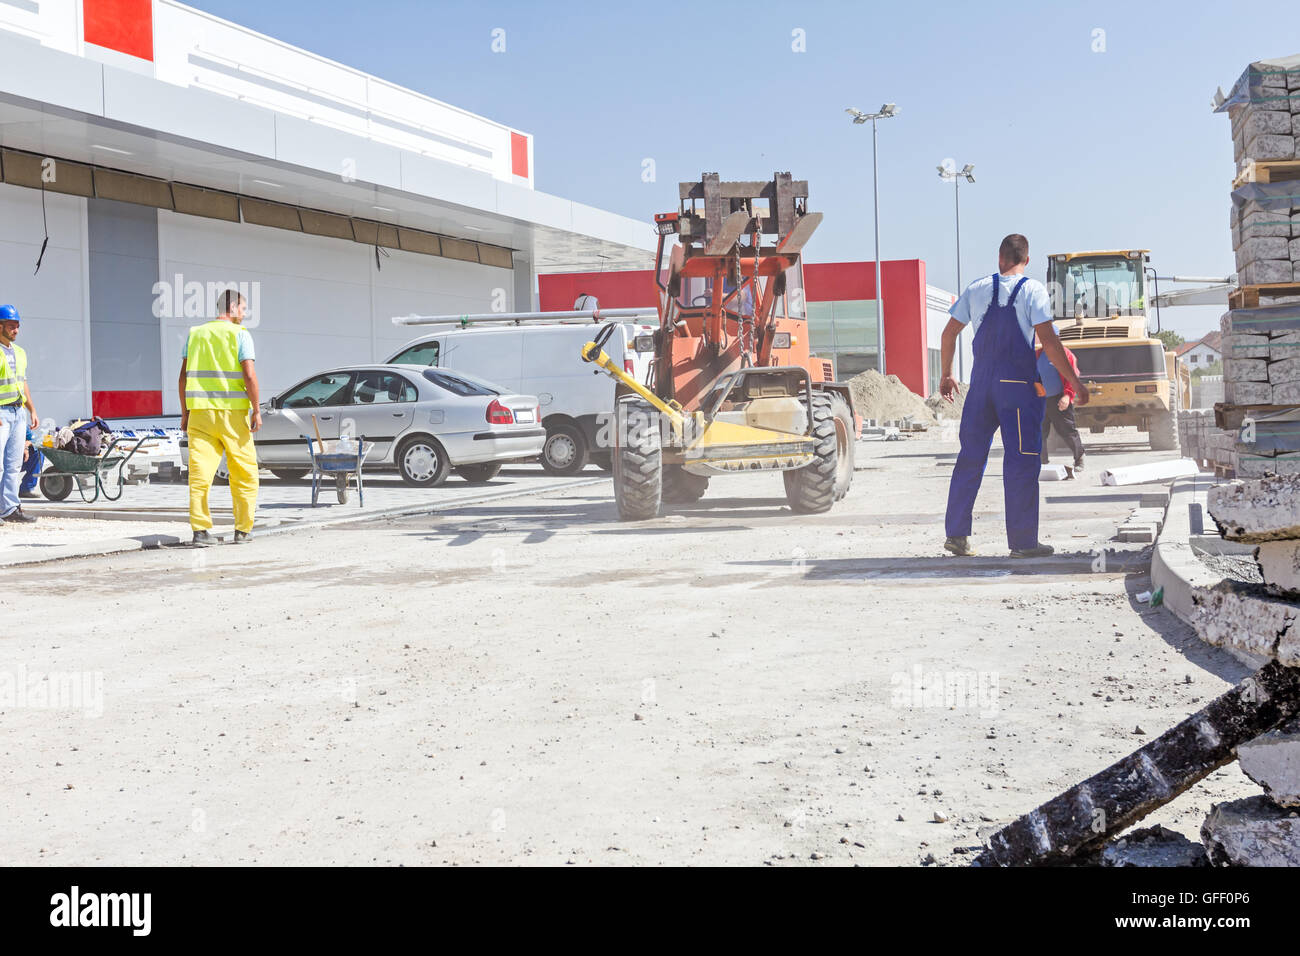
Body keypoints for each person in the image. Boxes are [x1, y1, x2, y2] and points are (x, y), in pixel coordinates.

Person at [937, 235, 1089, 558]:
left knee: (970, 458)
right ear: (1027, 260)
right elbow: (1049, 342)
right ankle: (1022, 543)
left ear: (1000, 258)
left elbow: (948, 332)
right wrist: (1075, 381)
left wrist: (947, 374)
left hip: (980, 388)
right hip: (1017, 389)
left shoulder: (977, 289)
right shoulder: (1033, 291)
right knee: (1021, 461)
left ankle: (957, 535)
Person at [179, 290, 261, 547]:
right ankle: (243, 530)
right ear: (233, 307)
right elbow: (249, 375)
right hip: (232, 414)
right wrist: (256, 409)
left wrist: (184, 412)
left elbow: (182, 377)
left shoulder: (194, 334)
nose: (245, 314)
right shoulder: (241, 335)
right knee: (245, 473)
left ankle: (200, 531)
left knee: (200, 474)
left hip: (200, 414)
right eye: (244, 308)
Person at [0, 303, 38, 526]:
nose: (16, 330)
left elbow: (22, 383)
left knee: (14, 464)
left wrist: (32, 409)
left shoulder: (20, 353)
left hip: (17, 412)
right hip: (1, 412)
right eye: (11, 326)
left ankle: (9, 508)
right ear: (0, 326)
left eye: (17, 326)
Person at [1036, 339, 1085, 472]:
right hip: (1040, 400)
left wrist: (1068, 396)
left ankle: (1079, 458)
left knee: (1067, 431)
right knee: (1039, 432)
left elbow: (1073, 376)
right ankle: (1042, 462)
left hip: (1060, 399)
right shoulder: (1038, 354)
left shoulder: (1065, 354)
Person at [20, 425, 44, 498]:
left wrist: (27, 444)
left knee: (38, 452)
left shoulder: (20, 424)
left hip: (14, 459)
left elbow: (37, 441)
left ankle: (26, 488)